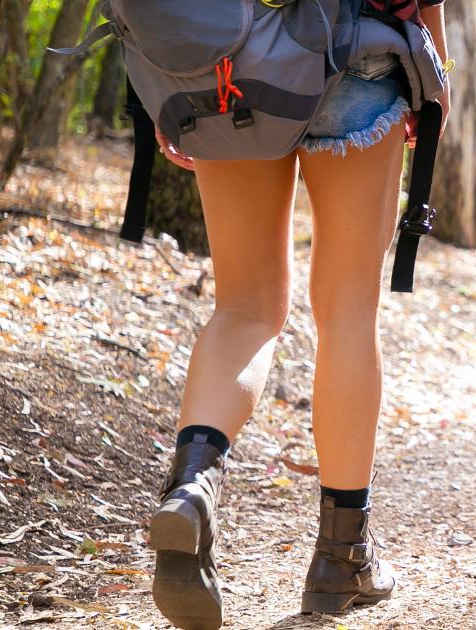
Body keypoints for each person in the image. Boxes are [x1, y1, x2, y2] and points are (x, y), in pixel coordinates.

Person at [146, 2, 449, 628]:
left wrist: (168, 83)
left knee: (245, 307)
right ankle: (342, 556)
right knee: (347, 310)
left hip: (229, 62)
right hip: (356, 55)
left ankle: (193, 486)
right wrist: (432, 74)